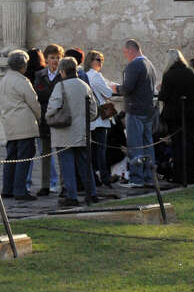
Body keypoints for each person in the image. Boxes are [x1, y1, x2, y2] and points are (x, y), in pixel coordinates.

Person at [46, 57, 98, 206]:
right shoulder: (84, 86)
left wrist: (49, 117)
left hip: (64, 133)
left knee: (67, 165)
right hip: (81, 132)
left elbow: (52, 109)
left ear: (62, 71)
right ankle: (92, 193)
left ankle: (72, 196)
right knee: (84, 164)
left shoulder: (60, 87)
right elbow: (93, 112)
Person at [0, 49, 42, 201]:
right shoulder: (22, 81)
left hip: (9, 122)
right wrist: (39, 118)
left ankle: (8, 188)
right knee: (24, 158)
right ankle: (20, 190)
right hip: (24, 124)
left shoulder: (4, 80)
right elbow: (33, 102)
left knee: (11, 157)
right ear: (23, 65)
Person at [118, 39, 158, 188]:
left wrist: (115, 88)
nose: (125, 55)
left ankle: (136, 179)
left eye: (125, 52)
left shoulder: (134, 65)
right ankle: (149, 176)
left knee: (135, 146)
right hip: (148, 110)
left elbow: (127, 88)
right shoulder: (149, 64)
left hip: (135, 110)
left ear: (130, 50)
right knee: (148, 145)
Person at [158, 49, 194, 185]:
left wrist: (160, 90)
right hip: (190, 113)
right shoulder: (190, 72)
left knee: (177, 146)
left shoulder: (169, 74)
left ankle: (180, 176)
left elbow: (164, 96)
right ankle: (191, 175)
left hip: (174, 114)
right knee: (190, 145)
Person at [32, 43, 64, 197]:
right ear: (46, 59)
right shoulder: (40, 75)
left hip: (60, 119)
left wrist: (49, 95)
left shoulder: (64, 75)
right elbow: (39, 95)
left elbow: (63, 96)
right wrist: (52, 95)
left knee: (63, 154)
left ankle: (64, 184)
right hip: (44, 119)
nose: (55, 61)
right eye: (52, 58)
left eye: (58, 58)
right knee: (45, 154)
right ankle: (46, 184)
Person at [84, 50, 118, 186]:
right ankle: (104, 176)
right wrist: (109, 87)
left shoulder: (85, 75)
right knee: (101, 150)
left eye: (101, 60)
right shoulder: (96, 76)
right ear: (90, 61)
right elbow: (108, 92)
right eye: (97, 59)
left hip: (91, 117)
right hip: (100, 118)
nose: (100, 62)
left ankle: (94, 177)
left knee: (92, 151)